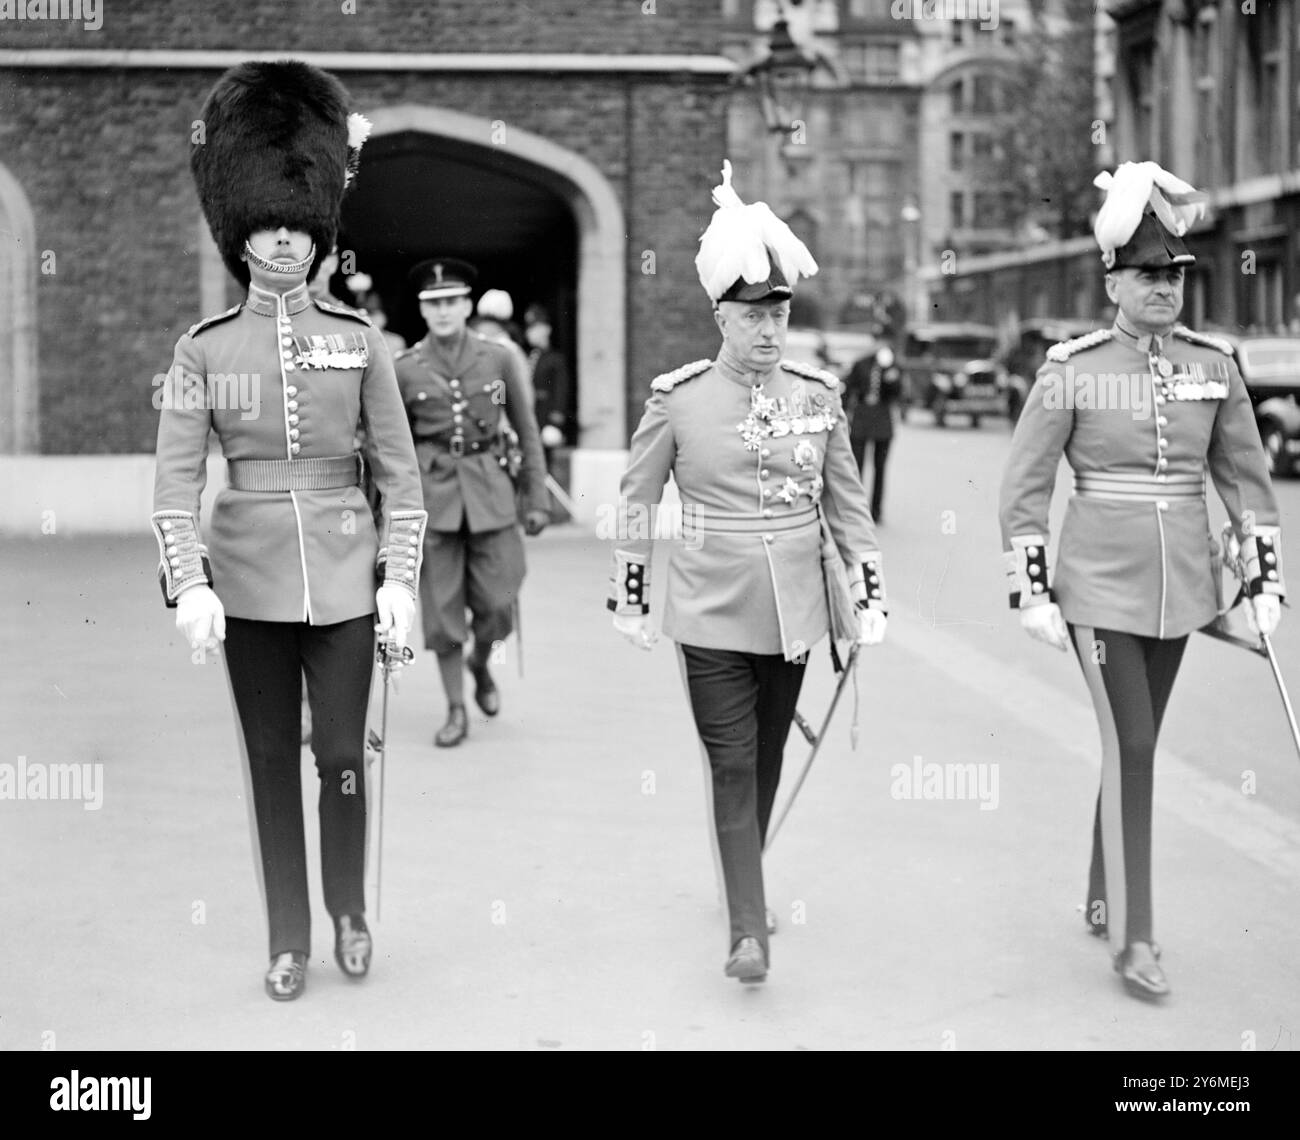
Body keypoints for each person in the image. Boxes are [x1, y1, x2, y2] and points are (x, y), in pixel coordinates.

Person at [152, 62, 427, 1001]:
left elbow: (401, 476)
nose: (285, 242)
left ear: (320, 236)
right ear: (242, 235)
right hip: (247, 583)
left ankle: (348, 906)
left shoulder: (360, 341)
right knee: (270, 763)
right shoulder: (205, 349)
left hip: (348, 576)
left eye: (300, 228)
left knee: (342, 756)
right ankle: (286, 936)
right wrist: (187, 582)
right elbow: (174, 485)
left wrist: (397, 578)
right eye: (269, 226)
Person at [999, 162, 1285, 1001]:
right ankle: (1134, 935)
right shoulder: (1072, 368)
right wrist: (1032, 590)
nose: (1164, 289)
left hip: (1184, 590)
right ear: (1113, 282)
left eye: (1175, 275)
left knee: (1136, 743)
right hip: (1095, 591)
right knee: (1130, 745)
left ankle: (1100, 889)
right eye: (1148, 275)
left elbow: (1245, 481)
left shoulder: (1214, 364)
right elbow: (1023, 488)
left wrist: (1262, 580)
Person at [609, 162, 888, 983]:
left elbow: (849, 505)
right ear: (720, 317)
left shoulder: (818, 394)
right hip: (708, 605)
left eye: (778, 313)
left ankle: (744, 880)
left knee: (765, 758)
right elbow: (634, 499)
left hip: (797, 608)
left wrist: (868, 597)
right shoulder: (679, 399)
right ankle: (746, 930)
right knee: (731, 760)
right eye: (751, 315)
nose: (768, 330)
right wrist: (631, 596)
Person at [394, 259, 550, 747]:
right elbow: (392, 446)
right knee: (442, 611)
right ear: (422, 309)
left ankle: (481, 662)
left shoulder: (499, 358)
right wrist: (391, 516)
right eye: (432, 304)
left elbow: (526, 429)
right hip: (433, 497)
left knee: (500, 602)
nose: (442, 312)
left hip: (490, 491)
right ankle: (455, 707)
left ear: (466, 305)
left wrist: (536, 496)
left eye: (451, 302)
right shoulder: (404, 369)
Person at [842, 337, 902, 522]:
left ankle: (876, 511)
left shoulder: (892, 365)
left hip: (882, 420)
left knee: (880, 468)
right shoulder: (860, 364)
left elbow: (898, 393)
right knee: (857, 466)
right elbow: (848, 389)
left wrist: (891, 375)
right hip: (862, 418)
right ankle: (856, 509)